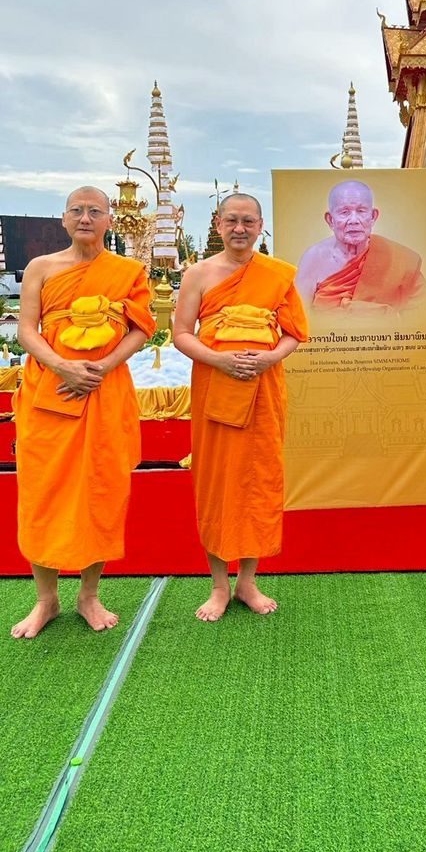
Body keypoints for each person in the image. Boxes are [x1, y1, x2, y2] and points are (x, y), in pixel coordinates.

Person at [11, 187, 155, 639]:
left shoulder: (127, 271)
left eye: (95, 210)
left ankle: (89, 595)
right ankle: (46, 599)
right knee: (42, 492)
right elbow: (26, 330)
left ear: (110, 219)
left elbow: (142, 328)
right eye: (77, 210)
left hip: (103, 389)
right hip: (49, 391)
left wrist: (102, 367)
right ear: (64, 219)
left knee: (101, 489)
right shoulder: (41, 267)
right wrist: (61, 366)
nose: (86, 217)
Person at [173, 193, 308, 620]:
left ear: (260, 225)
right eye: (231, 220)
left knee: (257, 480)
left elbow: (294, 332)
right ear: (217, 224)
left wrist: (269, 357)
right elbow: (181, 334)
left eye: (248, 221)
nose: (239, 228)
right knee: (217, 482)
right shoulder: (198, 274)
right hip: (216, 387)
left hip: (264, 390)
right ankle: (217, 585)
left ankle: (247, 582)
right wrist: (220, 359)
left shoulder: (277, 274)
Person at [295, 180, 426, 315]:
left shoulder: (399, 259)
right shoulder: (314, 258)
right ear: (330, 220)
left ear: (373, 216)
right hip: (330, 336)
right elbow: (299, 318)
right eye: (344, 212)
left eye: (361, 211)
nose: (354, 220)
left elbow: (424, 312)